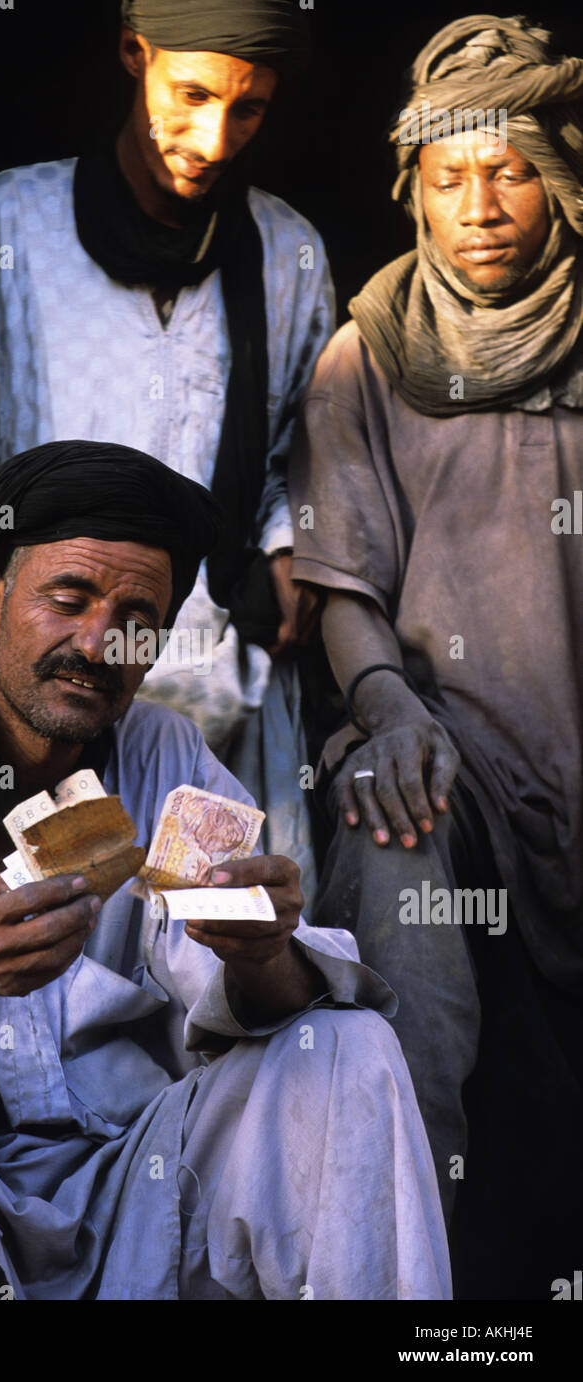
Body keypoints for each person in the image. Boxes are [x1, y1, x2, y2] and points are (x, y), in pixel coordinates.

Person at [0, 441, 449, 1301]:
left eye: (136, 616)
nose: (99, 642)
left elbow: (259, 987)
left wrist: (266, 950)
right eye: (67, 600)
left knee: (341, 1041)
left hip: (131, 1202)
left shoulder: (166, 760)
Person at [0, 0, 335, 904]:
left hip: (212, 674)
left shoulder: (286, 252)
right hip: (25, 667)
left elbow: (295, 455)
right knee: (16, 937)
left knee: (198, 944)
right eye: (189, 93)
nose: (214, 136)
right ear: (131, 53)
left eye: (250, 108)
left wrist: (284, 540)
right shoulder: (4, 223)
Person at [288, 15, 583, 1298]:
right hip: (450, 749)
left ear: (560, 180)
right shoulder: (366, 356)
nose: (478, 206)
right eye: (446, 175)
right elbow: (340, 584)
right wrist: (387, 707)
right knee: (389, 840)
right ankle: (401, 1276)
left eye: (507, 169)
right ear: (409, 185)